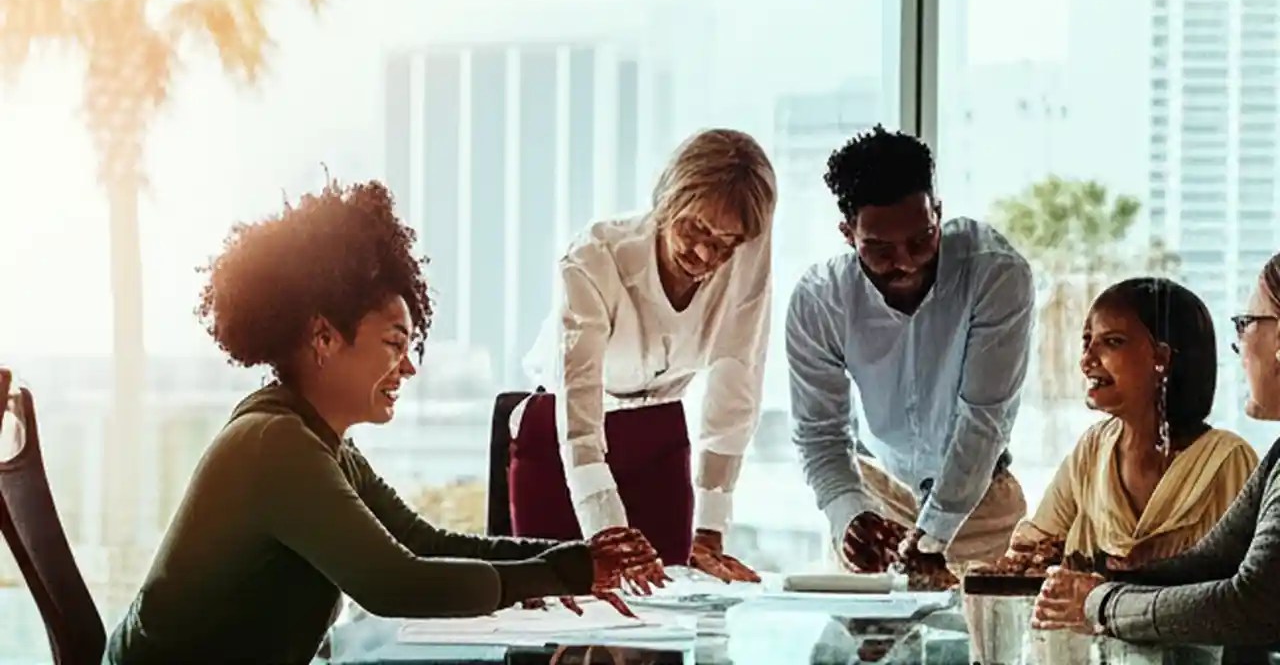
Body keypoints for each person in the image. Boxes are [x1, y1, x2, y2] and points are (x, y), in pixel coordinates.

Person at [107, 181, 665, 665]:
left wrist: (574, 557)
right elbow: (398, 583)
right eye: (393, 343)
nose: (409, 365)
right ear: (324, 338)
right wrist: (566, 571)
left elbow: (422, 541)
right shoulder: (274, 444)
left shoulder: (317, 444)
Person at [515, 128, 775, 582]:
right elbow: (580, 404)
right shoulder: (595, 257)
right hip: (561, 430)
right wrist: (608, 531)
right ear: (668, 202)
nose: (704, 252)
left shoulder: (743, 260)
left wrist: (711, 527)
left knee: (668, 611)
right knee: (559, 614)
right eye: (693, 227)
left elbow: (738, 380)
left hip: (659, 429)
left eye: (723, 243)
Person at [787, 125, 1033, 571]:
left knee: (989, 641)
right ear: (848, 233)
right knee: (856, 642)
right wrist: (849, 515)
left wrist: (934, 534)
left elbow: (985, 417)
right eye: (879, 249)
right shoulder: (819, 299)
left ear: (938, 212)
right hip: (876, 498)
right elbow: (820, 434)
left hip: (980, 504)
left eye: (922, 240)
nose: (905, 262)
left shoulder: (995, 274)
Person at [1033, 254, 1280, 651]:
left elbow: (1248, 603)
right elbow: (1211, 560)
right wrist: (1099, 590)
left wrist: (1100, 602)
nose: (1239, 342)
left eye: (1246, 323)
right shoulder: (1092, 448)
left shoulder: (1228, 458)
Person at [1000, 278, 1257, 570]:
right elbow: (1032, 552)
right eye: (1087, 341)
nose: (1087, 360)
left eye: (1112, 342)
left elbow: (1253, 591)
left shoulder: (1227, 462)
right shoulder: (1091, 451)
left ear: (1161, 358)